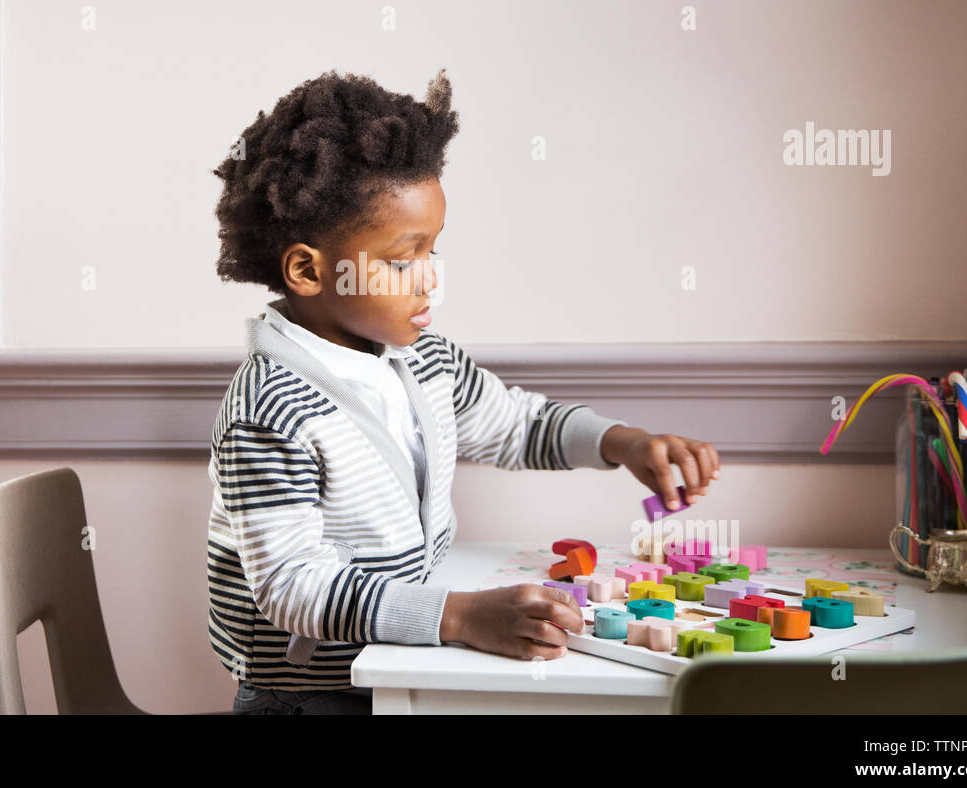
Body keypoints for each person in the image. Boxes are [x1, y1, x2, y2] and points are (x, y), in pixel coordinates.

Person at [206, 68, 720, 714]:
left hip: (399, 660)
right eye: (403, 260)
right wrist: (461, 616)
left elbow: (516, 425)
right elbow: (292, 587)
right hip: (309, 693)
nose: (430, 282)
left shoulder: (422, 360)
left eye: (434, 253)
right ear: (309, 269)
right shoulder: (269, 407)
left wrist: (624, 443)